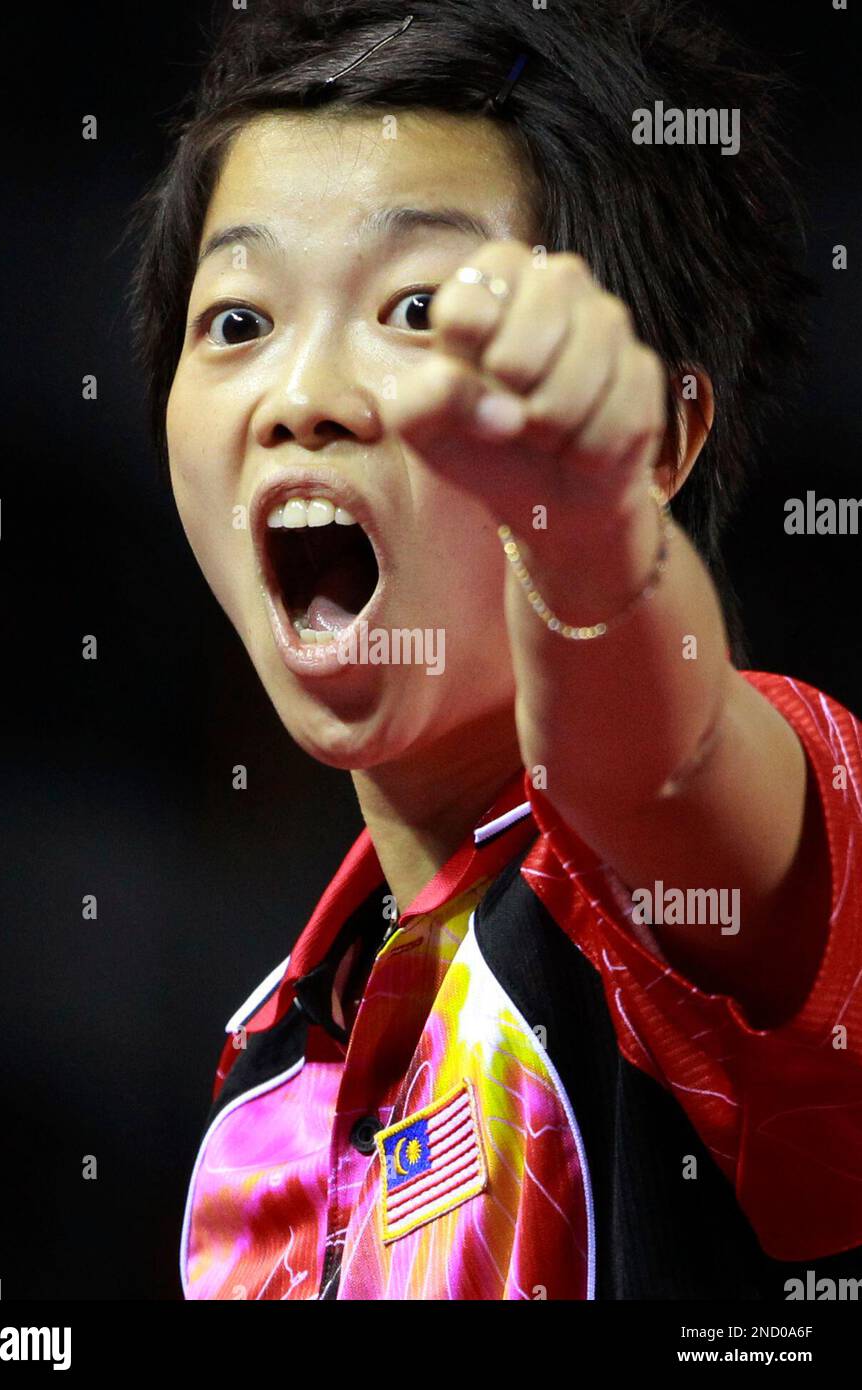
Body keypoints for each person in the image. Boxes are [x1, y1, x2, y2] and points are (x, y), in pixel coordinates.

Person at [126, 0, 862, 1299]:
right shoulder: (265, 1074)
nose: (299, 396)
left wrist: (591, 540)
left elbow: (660, 760)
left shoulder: (701, 880)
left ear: (657, 432)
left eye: (418, 307)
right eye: (239, 322)